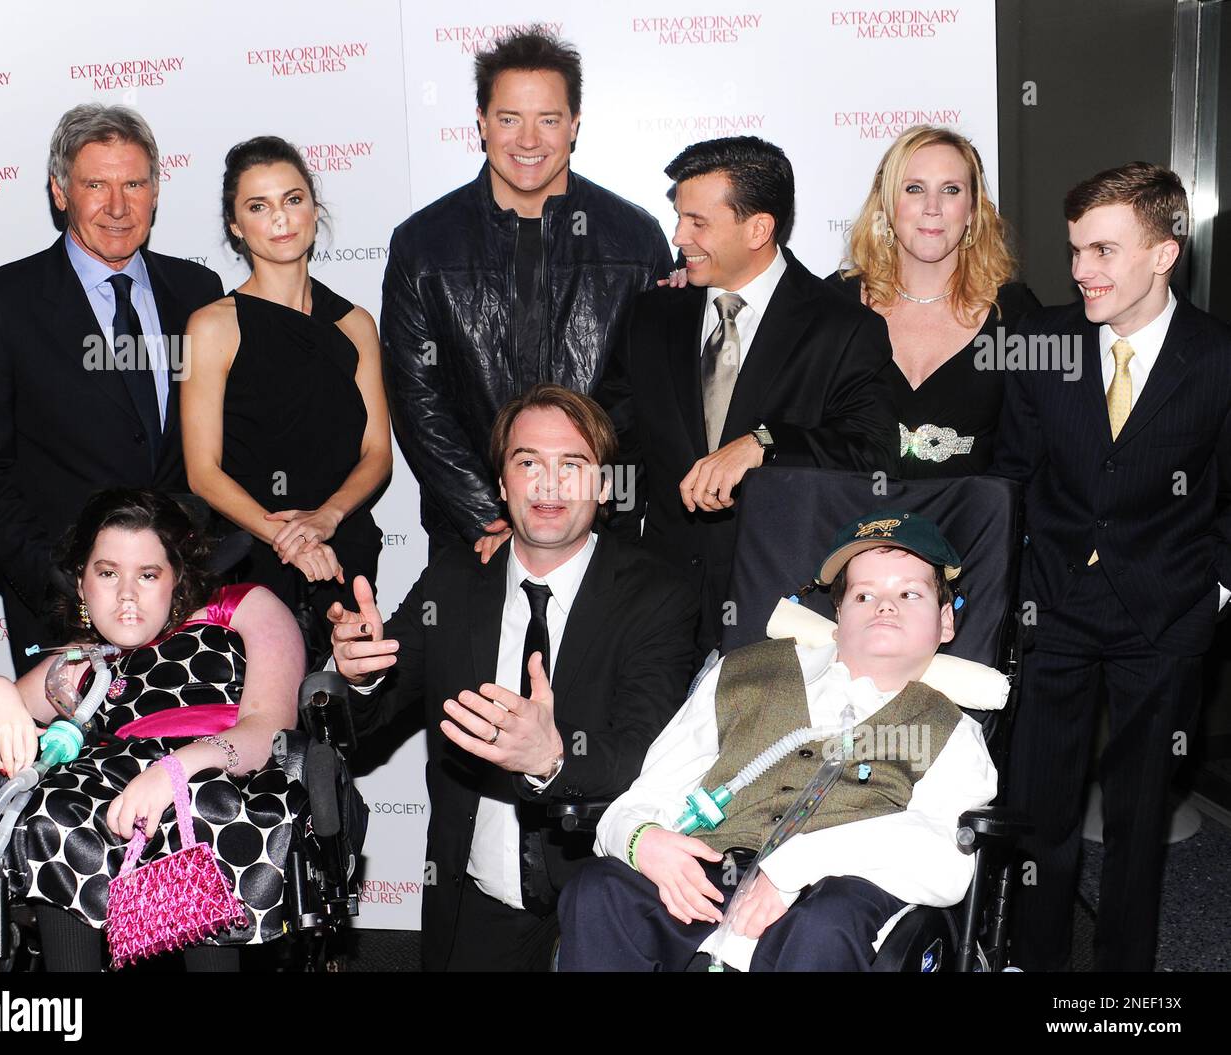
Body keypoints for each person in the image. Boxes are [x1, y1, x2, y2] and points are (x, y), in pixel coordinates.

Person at [330, 385, 698, 970]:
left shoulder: (657, 596)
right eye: (528, 463)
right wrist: (361, 674)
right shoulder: (452, 580)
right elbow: (367, 717)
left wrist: (550, 757)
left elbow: (643, 754)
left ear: (605, 486)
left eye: (572, 465)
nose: (549, 485)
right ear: (502, 486)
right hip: (472, 901)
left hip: (597, 907)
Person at [557, 511, 997, 971]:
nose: (885, 606)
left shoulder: (952, 733)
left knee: (824, 928)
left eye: (909, 593)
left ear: (946, 622)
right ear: (838, 617)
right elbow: (647, 796)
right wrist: (639, 839)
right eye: (864, 594)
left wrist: (793, 868)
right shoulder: (741, 675)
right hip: (706, 880)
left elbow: (945, 859)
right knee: (599, 892)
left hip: (828, 904)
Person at [992, 162, 1231, 972]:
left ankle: (1121, 989)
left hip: (1164, 615)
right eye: (1074, 251)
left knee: (1139, 821)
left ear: (1165, 253)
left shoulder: (1220, 358)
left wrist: (1215, 592)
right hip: (1052, 607)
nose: (1081, 271)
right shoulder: (1043, 346)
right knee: (1040, 812)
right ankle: (1038, 961)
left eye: (1103, 250)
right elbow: (1013, 478)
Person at [0, 489, 308, 971]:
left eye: (148, 575)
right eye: (108, 573)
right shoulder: (79, 660)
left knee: (203, 803)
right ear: (82, 584)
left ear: (177, 577)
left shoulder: (239, 607)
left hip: (222, 770)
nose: (126, 595)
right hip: (116, 780)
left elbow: (269, 730)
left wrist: (174, 770)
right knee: (50, 811)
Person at [0, 104, 223, 673]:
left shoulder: (198, 291)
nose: (118, 207)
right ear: (60, 191)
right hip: (61, 625)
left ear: (156, 190)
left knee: (190, 762)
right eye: (96, 184)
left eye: (134, 184)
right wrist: (58, 585)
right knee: (72, 765)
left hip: (188, 611)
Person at [598, 136, 898, 659]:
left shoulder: (843, 328)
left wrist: (766, 443)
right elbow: (611, 447)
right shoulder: (650, 318)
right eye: (679, 218)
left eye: (697, 222)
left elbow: (871, 457)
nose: (678, 236)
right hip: (658, 618)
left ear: (758, 228)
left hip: (784, 620)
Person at [381, 26, 673, 560]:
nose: (529, 140)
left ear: (575, 125)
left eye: (549, 119)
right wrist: (489, 515)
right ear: (482, 124)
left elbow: (645, 394)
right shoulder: (423, 244)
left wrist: (585, 511)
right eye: (510, 118)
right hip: (473, 536)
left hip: (604, 533)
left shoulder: (635, 238)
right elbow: (418, 401)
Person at [182, 136, 390, 653]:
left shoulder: (355, 324)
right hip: (251, 559)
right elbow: (202, 472)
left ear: (314, 210)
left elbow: (377, 452)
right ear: (236, 225)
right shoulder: (212, 327)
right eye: (259, 206)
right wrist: (287, 538)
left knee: (343, 714)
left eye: (292, 199)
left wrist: (326, 518)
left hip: (343, 550)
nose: (280, 218)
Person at [828, 126, 1039, 477]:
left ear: (972, 210)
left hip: (971, 527)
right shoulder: (835, 306)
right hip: (852, 526)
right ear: (886, 204)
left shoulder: (1015, 316)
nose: (932, 208)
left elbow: (1039, 456)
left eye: (951, 190)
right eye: (914, 189)